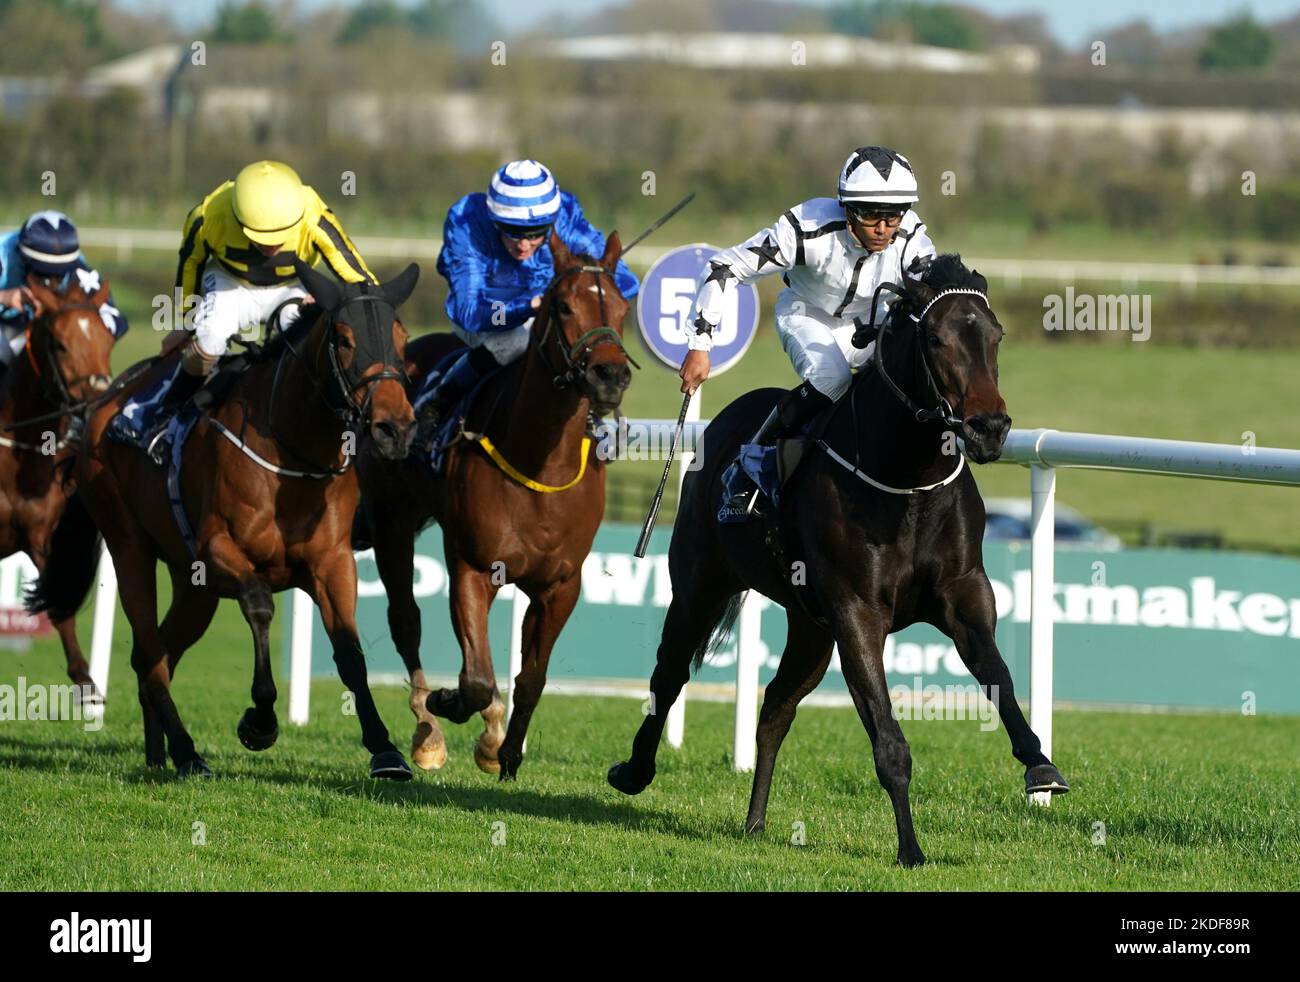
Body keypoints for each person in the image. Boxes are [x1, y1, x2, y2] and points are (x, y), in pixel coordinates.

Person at [677, 145, 937, 511]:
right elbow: (724, 268)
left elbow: (936, 295)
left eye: (893, 216)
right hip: (806, 313)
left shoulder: (910, 237)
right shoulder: (807, 229)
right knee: (833, 379)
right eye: (870, 215)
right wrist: (700, 344)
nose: (882, 228)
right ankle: (751, 465)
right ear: (846, 209)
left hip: (872, 327)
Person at [417, 159, 639, 431]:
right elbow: (471, 313)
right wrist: (528, 307)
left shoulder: (565, 216)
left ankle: (587, 409)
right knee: (514, 341)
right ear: (494, 220)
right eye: (511, 232)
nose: (522, 245)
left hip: (551, 309)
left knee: (571, 340)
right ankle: (437, 402)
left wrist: (592, 277)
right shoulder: (467, 221)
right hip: (488, 315)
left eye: (535, 235)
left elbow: (626, 283)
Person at [156, 159, 378, 430]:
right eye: (261, 238)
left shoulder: (315, 216)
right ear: (238, 217)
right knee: (210, 339)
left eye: (280, 237)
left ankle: (328, 421)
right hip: (230, 282)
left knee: (306, 345)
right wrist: (182, 323)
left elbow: (354, 271)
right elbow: (190, 262)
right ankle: (168, 414)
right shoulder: (208, 215)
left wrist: (374, 310)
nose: (271, 245)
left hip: (290, 286)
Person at [0, 210, 127, 376]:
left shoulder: (77, 268)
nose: (52, 283)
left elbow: (113, 320)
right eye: (43, 273)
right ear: (22, 256)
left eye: (59, 275)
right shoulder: (4, 256)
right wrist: (4, 297)